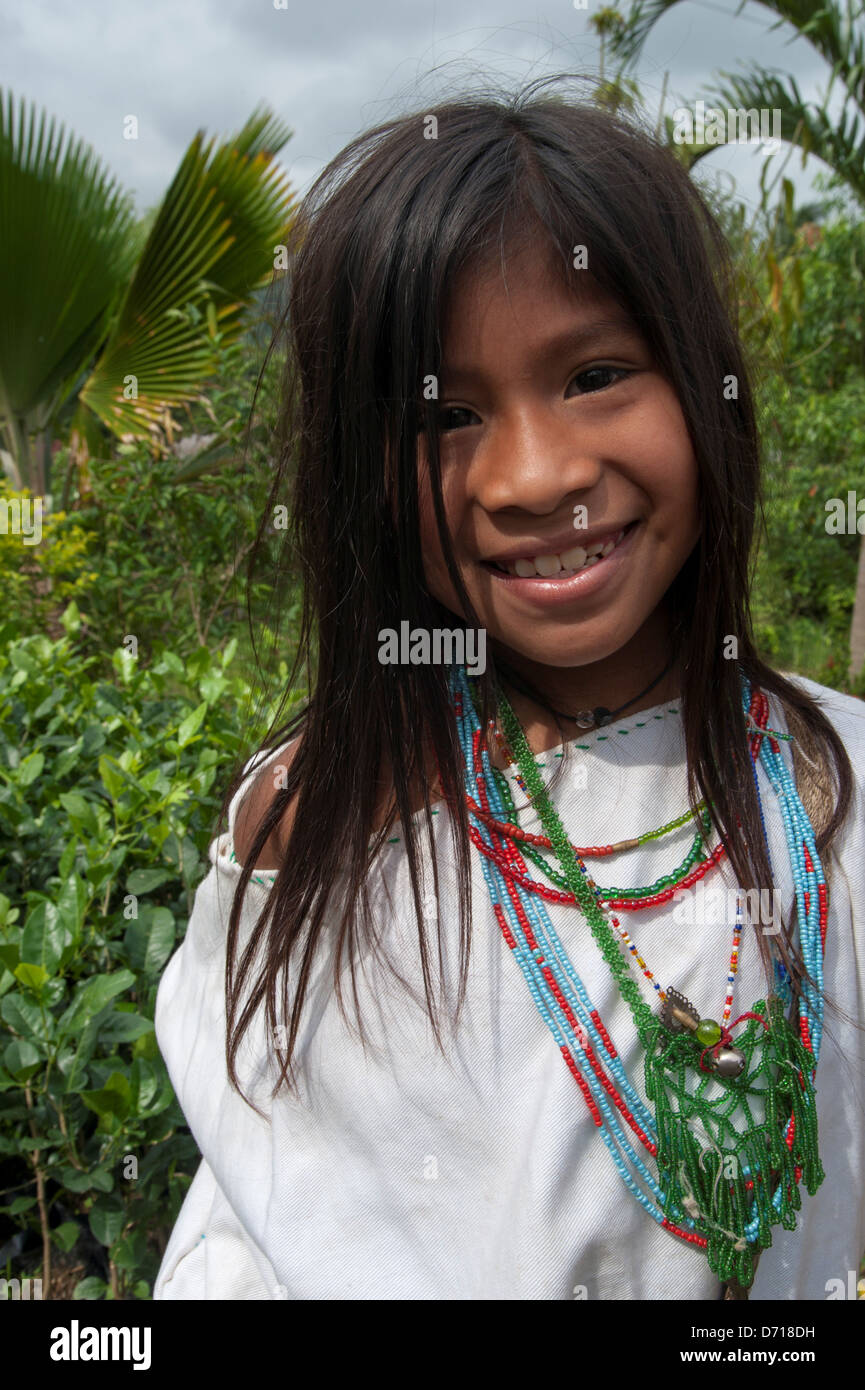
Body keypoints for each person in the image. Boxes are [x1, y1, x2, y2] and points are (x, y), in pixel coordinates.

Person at [153, 83, 865, 1301]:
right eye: (447, 415)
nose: (534, 475)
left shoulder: (832, 779)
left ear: (703, 384)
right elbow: (263, 1236)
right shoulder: (328, 827)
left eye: (595, 374)